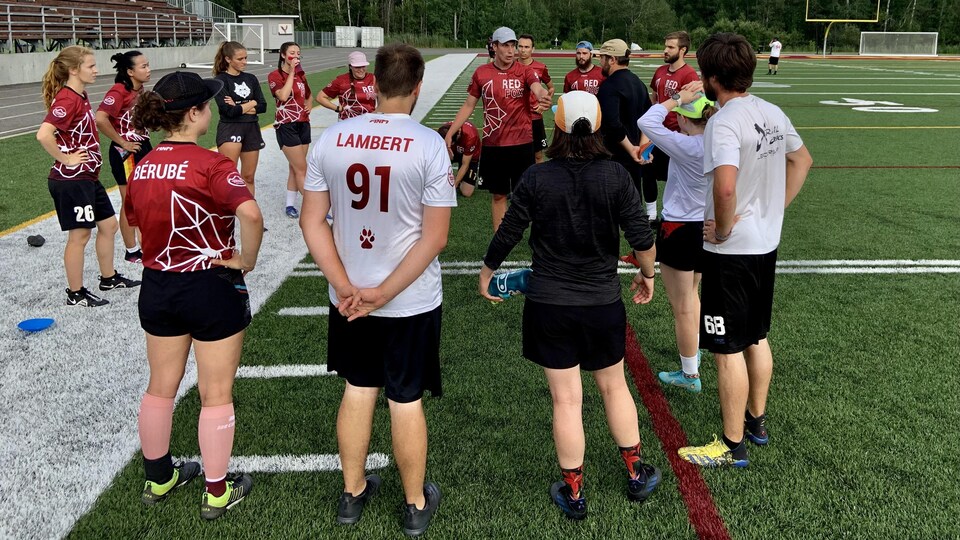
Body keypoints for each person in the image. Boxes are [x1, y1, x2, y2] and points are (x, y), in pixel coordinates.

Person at [479, 91, 660, 520]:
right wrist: (648, 275)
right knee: (614, 386)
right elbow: (642, 238)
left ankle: (574, 491)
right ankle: (636, 472)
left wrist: (487, 271)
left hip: (550, 304)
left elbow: (508, 230)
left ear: (557, 127)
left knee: (566, 401)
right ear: (598, 127)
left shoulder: (538, 177)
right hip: (600, 302)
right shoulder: (616, 175)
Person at [301, 43, 455, 536]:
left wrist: (346, 286)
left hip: (350, 296)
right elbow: (436, 237)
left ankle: (352, 492)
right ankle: (413, 504)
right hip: (406, 298)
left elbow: (312, 221)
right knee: (405, 399)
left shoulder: (334, 137)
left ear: (373, 85)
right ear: (416, 88)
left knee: (358, 389)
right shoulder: (429, 143)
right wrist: (384, 292)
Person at [129, 70, 264, 519]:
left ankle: (159, 476)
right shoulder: (213, 164)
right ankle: (216, 491)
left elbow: (132, 219)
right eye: (207, 104)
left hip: (158, 285)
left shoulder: (144, 163)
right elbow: (251, 215)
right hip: (209, 283)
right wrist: (246, 260)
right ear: (193, 113)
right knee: (216, 392)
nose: (212, 109)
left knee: (160, 387)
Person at [677, 33, 812, 468]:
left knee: (726, 346)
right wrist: (774, 210)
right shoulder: (771, 111)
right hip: (765, 244)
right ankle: (757, 422)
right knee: (756, 335)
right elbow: (803, 160)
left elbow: (727, 184)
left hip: (731, 253)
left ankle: (731, 445)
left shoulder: (725, 121)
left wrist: (725, 226)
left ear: (712, 77)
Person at [37, 46, 140, 307]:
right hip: (71, 179)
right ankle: (76, 293)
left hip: (87, 177)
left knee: (108, 226)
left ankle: (108, 278)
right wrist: (67, 158)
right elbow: (44, 134)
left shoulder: (79, 94)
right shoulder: (67, 98)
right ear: (74, 70)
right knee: (80, 236)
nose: (96, 70)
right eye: (91, 66)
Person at [637, 89, 716, 393]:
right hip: (705, 227)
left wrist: (677, 99)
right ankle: (694, 350)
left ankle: (690, 374)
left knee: (682, 305)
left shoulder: (688, 144)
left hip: (680, 228)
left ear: (684, 119)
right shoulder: (717, 140)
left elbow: (647, 120)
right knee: (692, 296)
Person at [446, 26, 552, 232]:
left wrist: (542, 95)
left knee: (528, 195)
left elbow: (536, 87)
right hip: (495, 145)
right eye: (505, 45)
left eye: (513, 45)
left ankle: (536, 236)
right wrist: (450, 132)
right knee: (498, 195)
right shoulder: (482, 73)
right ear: (494, 47)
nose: (511, 50)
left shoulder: (525, 70)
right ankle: (500, 239)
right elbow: (469, 105)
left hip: (522, 143)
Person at [95, 50, 153, 265]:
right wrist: (122, 142)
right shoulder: (118, 91)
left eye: (148, 65)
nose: (148, 70)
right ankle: (132, 250)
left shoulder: (140, 89)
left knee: (145, 198)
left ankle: (146, 243)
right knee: (130, 202)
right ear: (130, 71)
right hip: (125, 152)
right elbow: (100, 119)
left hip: (142, 146)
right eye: (143, 66)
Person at [593, 39, 653, 218]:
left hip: (615, 159)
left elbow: (612, 124)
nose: (599, 62)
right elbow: (648, 118)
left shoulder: (609, 86)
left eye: (602, 57)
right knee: (633, 212)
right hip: (634, 159)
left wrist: (631, 149)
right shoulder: (638, 82)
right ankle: (640, 247)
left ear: (612, 59)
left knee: (608, 215)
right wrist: (641, 148)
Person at [646, 31, 700, 220]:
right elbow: (655, 97)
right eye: (666, 46)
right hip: (658, 134)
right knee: (648, 171)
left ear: (683, 50)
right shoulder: (660, 71)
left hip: (677, 135)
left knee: (676, 178)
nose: (665, 50)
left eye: (670, 47)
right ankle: (651, 214)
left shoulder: (689, 74)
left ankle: (673, 214)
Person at [212, 41, 266, 201]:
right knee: (229, 176)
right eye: (240, 59)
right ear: (228, 59)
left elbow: (263, 105)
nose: (245, 62)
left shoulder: (251, 78)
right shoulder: (220, 81)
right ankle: (226, 218)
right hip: (230, 129)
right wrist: (251, 102)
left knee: (248, 177)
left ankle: (250, 217)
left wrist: (241, 105)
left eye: (246, 58)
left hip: (251, 129)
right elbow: (229, 112)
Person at [267, 42, 312, 219]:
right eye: (292, 53)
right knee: (302, 169)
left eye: (298, 53)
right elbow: (283, 96)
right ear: (283, 55)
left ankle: (290, 205)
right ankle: (313, 208)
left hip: (303, 123)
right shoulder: (275, 75)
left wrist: (308, 107)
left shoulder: (302, 76)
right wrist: (292, 72)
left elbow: (309, 95)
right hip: (286, 124)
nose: (296, 56)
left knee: (295, 168)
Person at [517, 34, 555, 163]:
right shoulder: (510, 66)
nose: (523, 50)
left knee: (538, 155)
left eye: (527, 47)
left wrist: (544, 104)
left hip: (534, 117)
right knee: (517, 154)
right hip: (515, 117)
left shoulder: (540, 67)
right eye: (520, 46)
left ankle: (539, 182)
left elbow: (551, 88)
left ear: (532, 49)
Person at [317, 51, 377, 121]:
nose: (361, 70)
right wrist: (337, 108)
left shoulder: (373, 78)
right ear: (350, 66)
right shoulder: (341, 81)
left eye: (363, 66)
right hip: (347, 122)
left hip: (369, 121)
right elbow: (320, 97)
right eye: (357, 67)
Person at [437, 120, 481, 197]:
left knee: (466, 192)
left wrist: (454, 186)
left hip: (470, 157)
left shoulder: (471, 135)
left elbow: (465, 164)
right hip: (454, 151)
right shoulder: (444, 130)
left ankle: (458, 180)